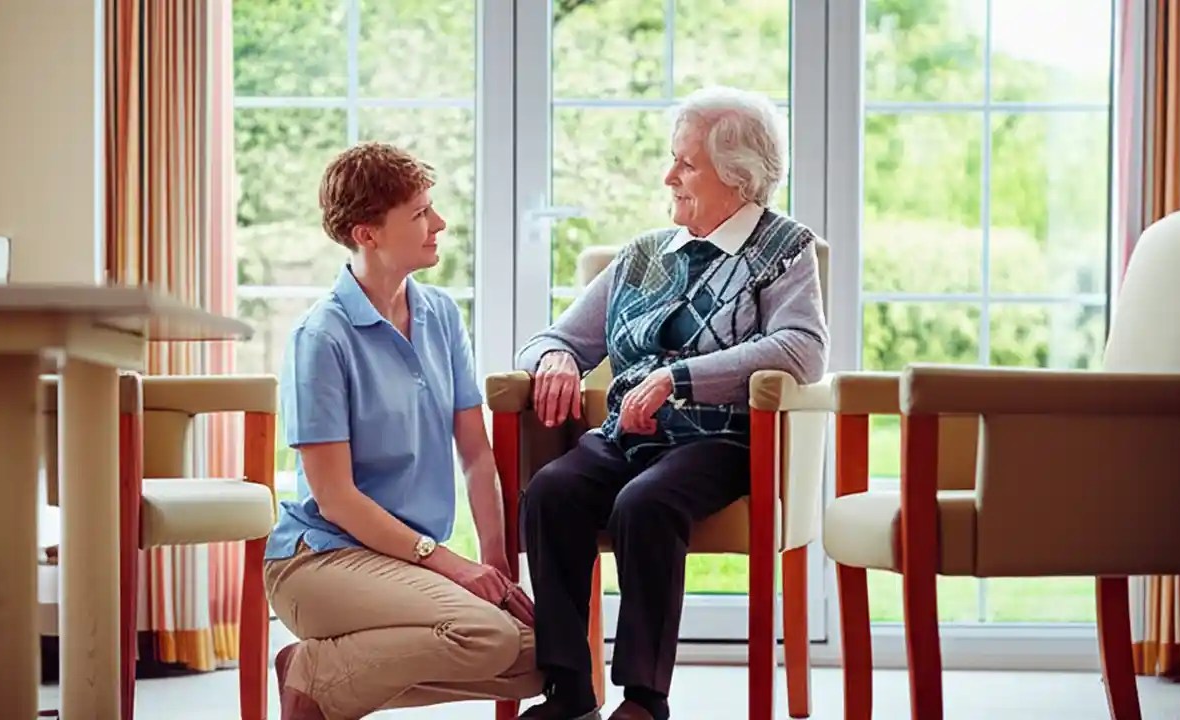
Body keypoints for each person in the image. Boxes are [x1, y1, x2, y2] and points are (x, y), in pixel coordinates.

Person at [515, 86, 829, 720]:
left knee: (646, 503)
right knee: (550, 491)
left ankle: (643, 698)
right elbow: (555, 338)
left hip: (724, 441)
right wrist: (552, 359)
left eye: (685, 164)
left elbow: (802, 349)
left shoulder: (783, 250)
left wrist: (679, 378)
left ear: (737, 176)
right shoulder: (643, 254)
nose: (669, 176)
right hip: (626, 436)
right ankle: (568, 692)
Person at [264, 142, 543, 720]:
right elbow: (336, 498)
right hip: (322, 561)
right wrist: (450, 564)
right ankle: (313, 672)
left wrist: (496, 564)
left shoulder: (440, 315)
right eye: (419, 213)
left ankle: (323, 681)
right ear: (366, 233)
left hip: (405, 565)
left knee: (543, 656)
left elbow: (476, 456)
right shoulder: (322, 337)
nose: (438, 223)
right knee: (487, 639)